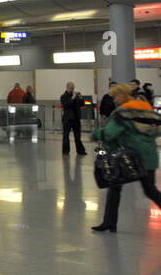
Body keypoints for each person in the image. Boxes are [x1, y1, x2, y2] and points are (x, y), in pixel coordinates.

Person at [91, 83, 161, 233]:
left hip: (129, 158)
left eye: (116, 96)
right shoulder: (148, 110)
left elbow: (109, 133)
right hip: (149, 158)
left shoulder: (123, 113)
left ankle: (109, 223)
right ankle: (108, 222)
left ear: (123, 95)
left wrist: (96, 134)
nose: (115, 100)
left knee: (114, 188)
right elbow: (156, 131)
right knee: (150, 190)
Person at [60, 82, 87, 156]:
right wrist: (73, 97)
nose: (72, 89)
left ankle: (80, 150)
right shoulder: (63, 97)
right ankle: (65, 151)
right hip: (67, 119)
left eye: (73, 88)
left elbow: (82, 104)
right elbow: (66, 105)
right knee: (66, 136)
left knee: (78, 136)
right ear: (67, 87)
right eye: (71, 88)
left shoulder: (75, 96)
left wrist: (81, 98)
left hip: (76, 119)